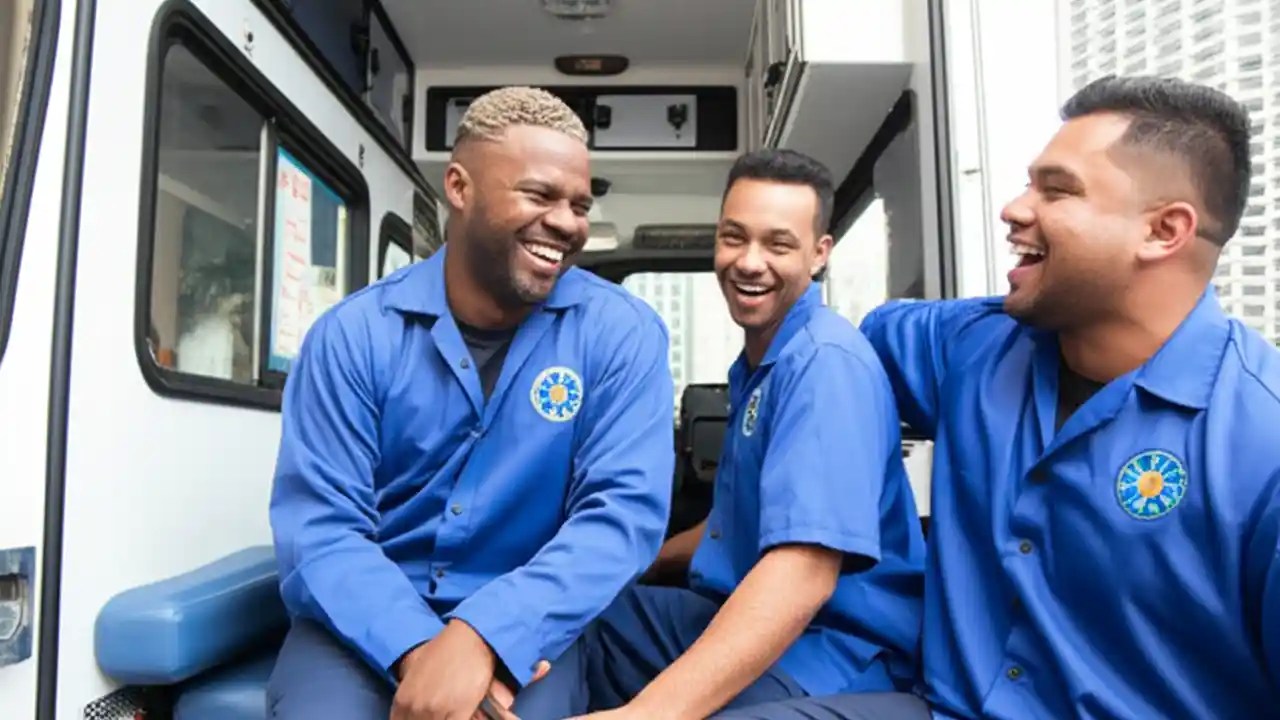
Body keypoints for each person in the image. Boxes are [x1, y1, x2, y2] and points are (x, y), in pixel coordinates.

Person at [715, 74, 1280, 720]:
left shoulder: (1261, 442)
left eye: (1057, 190)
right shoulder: (974, 346)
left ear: (1163, 231)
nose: (1015, 208)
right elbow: (852, 346)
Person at [265, 86, 677, 720]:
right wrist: (421, 651)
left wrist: (487, 635)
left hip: (530, 628)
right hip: (357, 625)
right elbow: (322, 528)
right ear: (460, 187)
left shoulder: (621, 334)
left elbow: (619, 519)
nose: (566, 222)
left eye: (578, 204)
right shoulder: (352, 337)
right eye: (539, 195)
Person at [516, 149, 927, 719]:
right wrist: (633, 561)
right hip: (728, 609)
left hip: (827, 653)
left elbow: (801, 576)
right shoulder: (761, 364)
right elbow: (731, 524)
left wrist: (644, 716)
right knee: (573, 616)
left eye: (778, 245)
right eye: (734, 238)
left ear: (819, 254)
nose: (749, 262)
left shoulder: (825, 364)